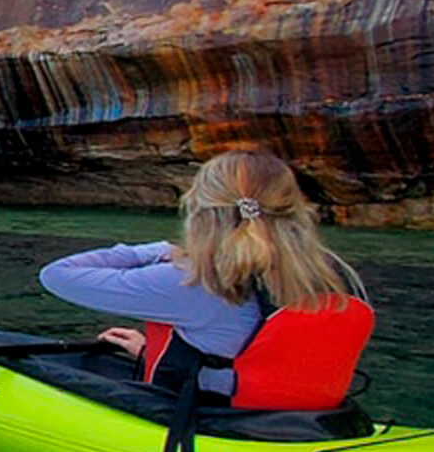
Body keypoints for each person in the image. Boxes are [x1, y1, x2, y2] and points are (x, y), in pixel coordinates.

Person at [38, 149, 369, 408]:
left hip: (222, 424)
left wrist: (155, 251)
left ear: (198, 211)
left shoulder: (194, 280)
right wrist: (153, 352)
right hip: (315, 422)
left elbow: (57, 275)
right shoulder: (337, 275)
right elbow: (271, 354)